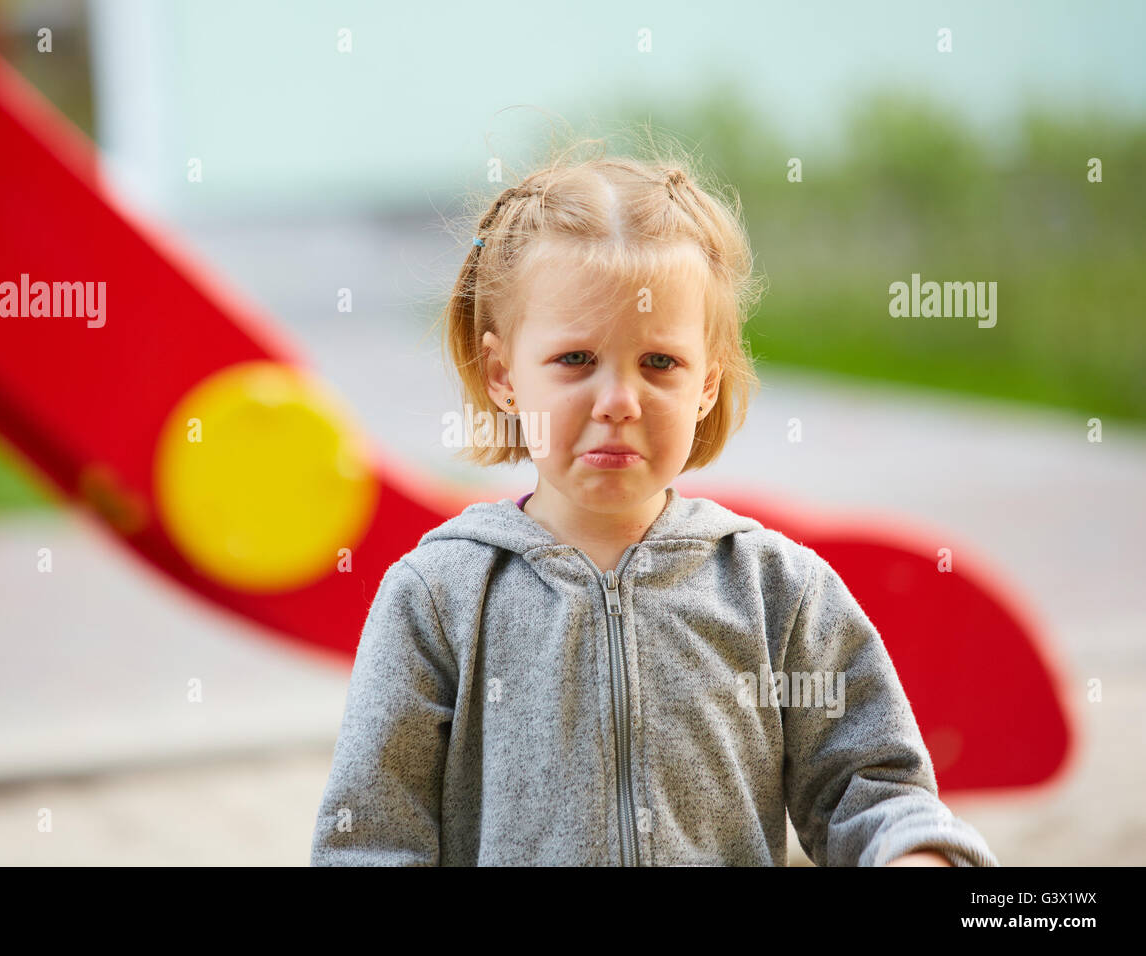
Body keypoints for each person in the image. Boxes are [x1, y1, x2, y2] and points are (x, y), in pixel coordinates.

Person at [309, 137, 999, 867]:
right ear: (503, 372)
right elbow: (372, 837)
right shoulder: (438, 599)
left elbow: (873, 788)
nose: (618, 402)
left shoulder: (778, 592)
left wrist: (914, 853)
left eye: (659, 363)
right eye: (576, 359)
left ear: (706, 382)